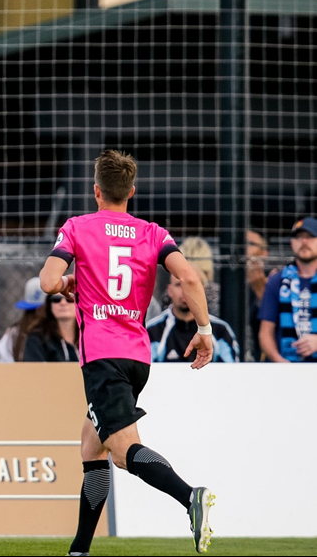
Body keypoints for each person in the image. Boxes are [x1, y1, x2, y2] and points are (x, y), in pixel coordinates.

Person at [39, 150, 215, 556]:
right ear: (131, 192)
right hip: (137, 355)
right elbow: (189, 277)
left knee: (122, 452)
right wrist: (204, 330)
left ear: (96, 191)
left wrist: (67, 282)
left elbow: (48, 282)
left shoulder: (78, 227)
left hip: (102, 357)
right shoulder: (153, 233)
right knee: (92, 446)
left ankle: (190, 496)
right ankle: (79, 549)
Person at [258, 217, 317, 363]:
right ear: (292, 243)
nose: (304, 242)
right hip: (287, 367)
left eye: (310, 236)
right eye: (299, 237)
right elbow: (265, 332)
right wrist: (281, 363)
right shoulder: (277, 281)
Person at [148, 272, 241, 363]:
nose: (185, 291)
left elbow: (230, 370)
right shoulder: (152, 330)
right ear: (170, 290)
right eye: (178, 285)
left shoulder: (221, 330)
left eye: (191, 285)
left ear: (202, 290)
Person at [0, 277, 46, 362]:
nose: (38, 313)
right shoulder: (14, 332)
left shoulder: (59, 332)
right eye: (33, 310)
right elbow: (5, 362)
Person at [22, 294, 80, 363]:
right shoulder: (37, 337)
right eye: (56, 299)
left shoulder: (89, 336)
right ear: (49, 304)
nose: (63, 303)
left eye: (70, 298)